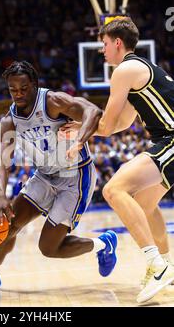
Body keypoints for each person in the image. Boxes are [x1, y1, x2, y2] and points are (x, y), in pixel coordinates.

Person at [0, 61, 118, 292]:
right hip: (44, 176)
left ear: (34, 85)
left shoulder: (53, 101)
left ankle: (102, 244)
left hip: (75, 177)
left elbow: (92, 111)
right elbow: (1, 160)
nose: (18, 94)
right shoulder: (9, 121)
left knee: (48, 248)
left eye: (24, 88)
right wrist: (0, 195)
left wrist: (80, 140)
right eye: (13, 90)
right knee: (6, 224)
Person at [66, 17, 174, 303]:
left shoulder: (125, 69)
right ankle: (165, 265)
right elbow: (117, 126)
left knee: (113, 190)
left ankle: (156, 265)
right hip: (169, 141)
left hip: (173, 139)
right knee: (145, 205)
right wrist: (82, 129)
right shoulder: (138, 69)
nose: (101, 50)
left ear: (117, 43)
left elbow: (107, 122)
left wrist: (81, 128)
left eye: (103, 44)